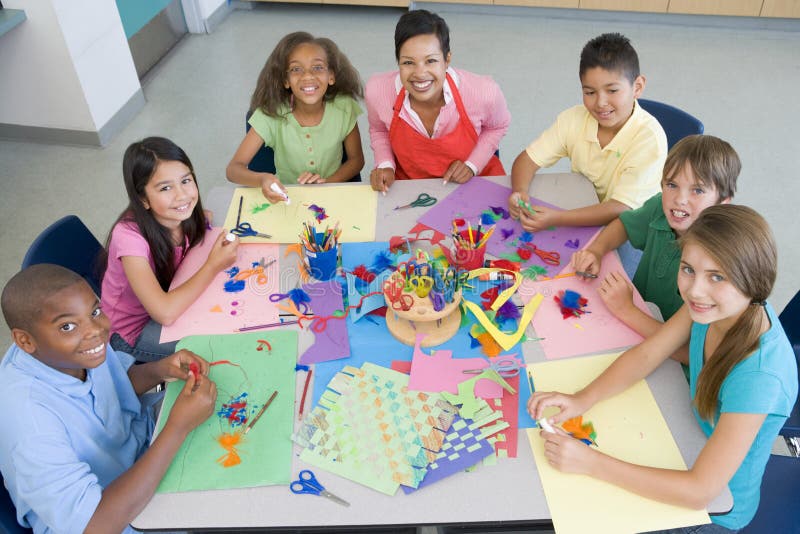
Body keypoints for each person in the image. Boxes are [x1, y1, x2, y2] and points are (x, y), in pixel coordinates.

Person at [529, 205, 798, 532]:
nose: (695, 289)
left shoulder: (759, 376)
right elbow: (647, 355)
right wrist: (582, 399)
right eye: (688, 269)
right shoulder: (712, 306)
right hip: (689, 446)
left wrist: (591, 463)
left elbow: (701, 492)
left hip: (714, 515)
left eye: (717, 276)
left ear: (753, 281)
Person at [0, 264, 217, 533]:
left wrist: (160, 370)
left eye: (95, 311)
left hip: (139, 452)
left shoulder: (67, 350)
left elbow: (110, 391)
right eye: (67, 326)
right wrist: (177, 428)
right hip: (111, 515)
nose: (95, 330)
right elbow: (94, 525)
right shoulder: (30, 423)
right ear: (25, 341)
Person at [570, 135, 740, 363]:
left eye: (697, 191)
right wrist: (597, 250)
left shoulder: (718, 267)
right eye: (672, 185)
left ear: (723, 202)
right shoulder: (660, 207)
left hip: (674, 366)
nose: (679, 199)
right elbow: (625, 224)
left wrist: (627, 311)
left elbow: (693, 356)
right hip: (636, 323)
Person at [509, 33, 667, 233]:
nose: (600, 103)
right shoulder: (573, 119)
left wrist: (557, 218)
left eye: (612, 91)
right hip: (582, 212)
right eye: (590, 92)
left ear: (637, 87)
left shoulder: (649, 139)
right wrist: (519, 192)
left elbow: (620, 208)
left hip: (630, 229)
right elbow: (526, 160)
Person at [102, 137, 239, 362]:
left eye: (186, 181)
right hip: (131, 334)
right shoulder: (128, 238)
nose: (182, 195)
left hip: (169, 302)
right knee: (220, 346)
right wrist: (214, 265)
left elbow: (203, 217)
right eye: (165, 188)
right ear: (142, 199)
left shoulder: (177, 214)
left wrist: (194, 216)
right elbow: (165, 313)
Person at [366, 9, 510, 192]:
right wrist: (385, 164)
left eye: (431, 61)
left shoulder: (484, 92)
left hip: (475, 181)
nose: (420, 74)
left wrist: (472, 165)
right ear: (398, 62)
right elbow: (379, 130)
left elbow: (498, 126)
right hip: (411, 184)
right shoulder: (377, 91)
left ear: (447, 59)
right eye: (408, 62)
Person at [226, 32, 365, 203]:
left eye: (318, 67)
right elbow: (233, 169)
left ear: (331, 76)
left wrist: (327, 184)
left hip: (334, 196)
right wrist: (262, 179)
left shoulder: (344, 107)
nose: (307, 76)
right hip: (288, 201)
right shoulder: (271, 115)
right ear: (286, 80)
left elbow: (357, 160)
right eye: (296, 69)